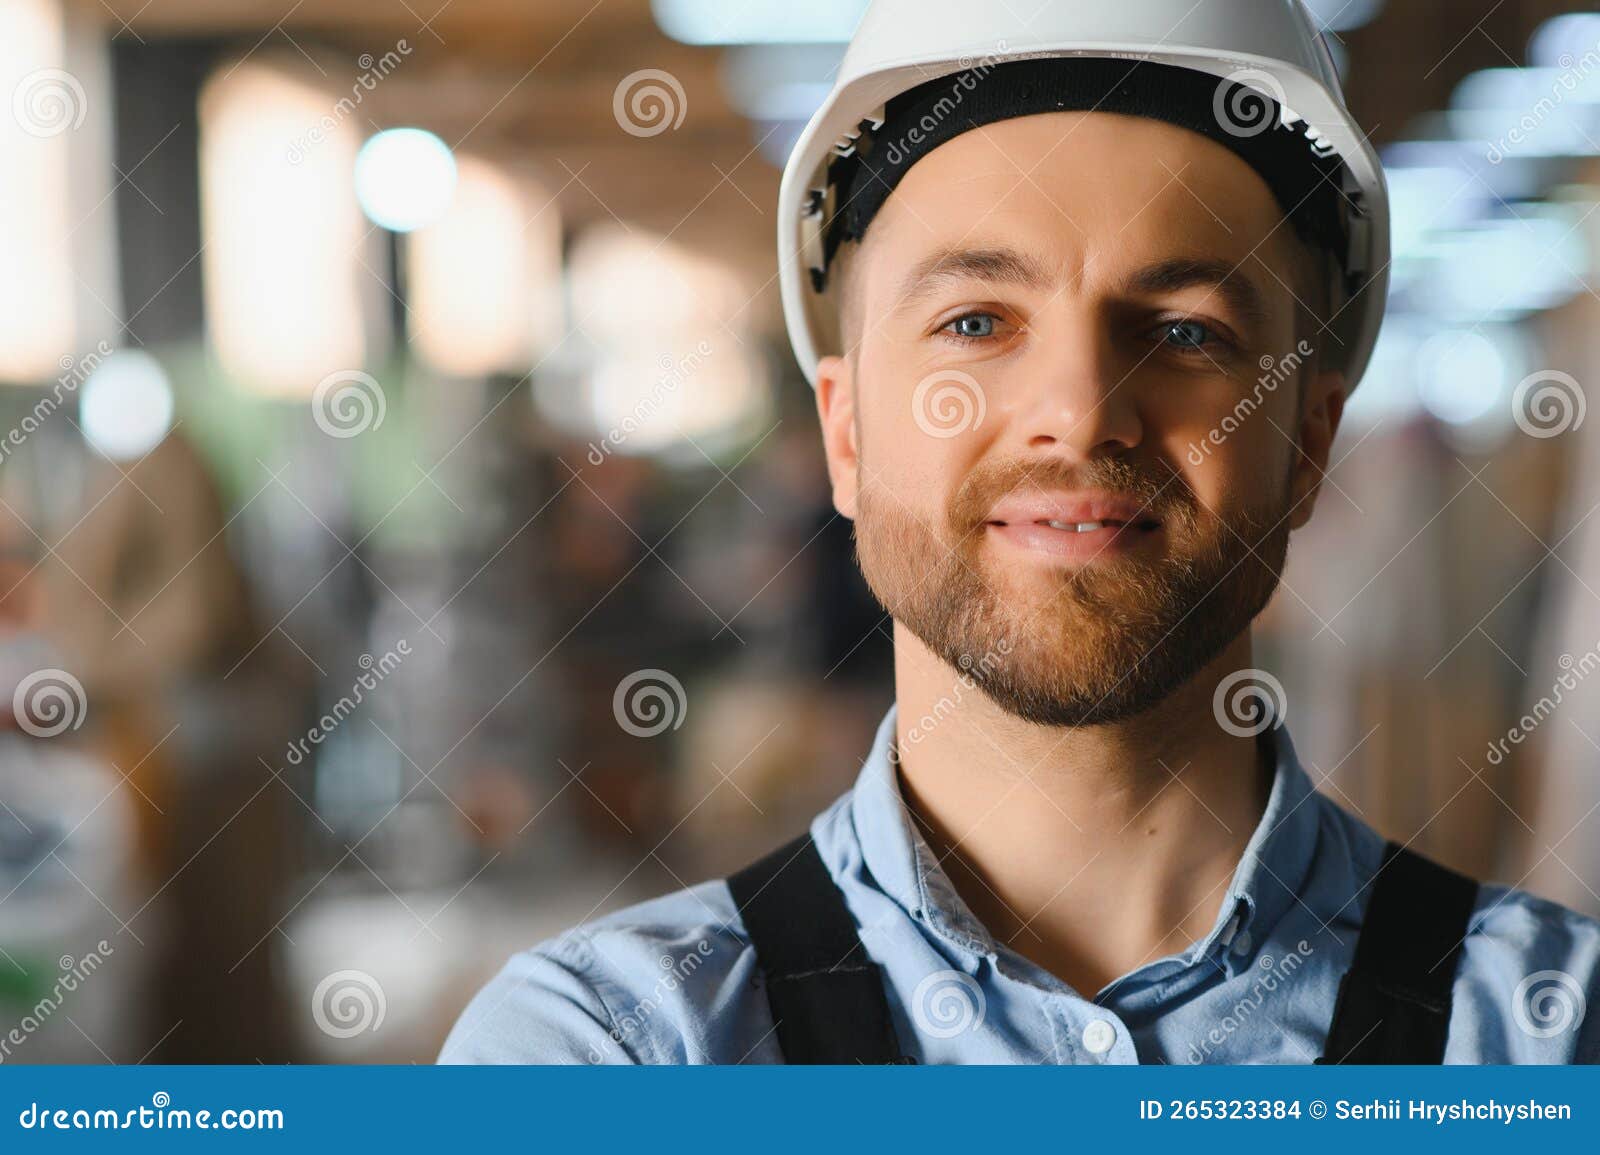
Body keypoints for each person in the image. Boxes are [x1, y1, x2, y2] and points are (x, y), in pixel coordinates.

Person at [441, 0, 1600, 1064]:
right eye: (977, 319)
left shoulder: (1549, 1037)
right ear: (845, 437)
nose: (1079, 413)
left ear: (1305, 443)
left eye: (1184, 333)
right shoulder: (615, 1054)